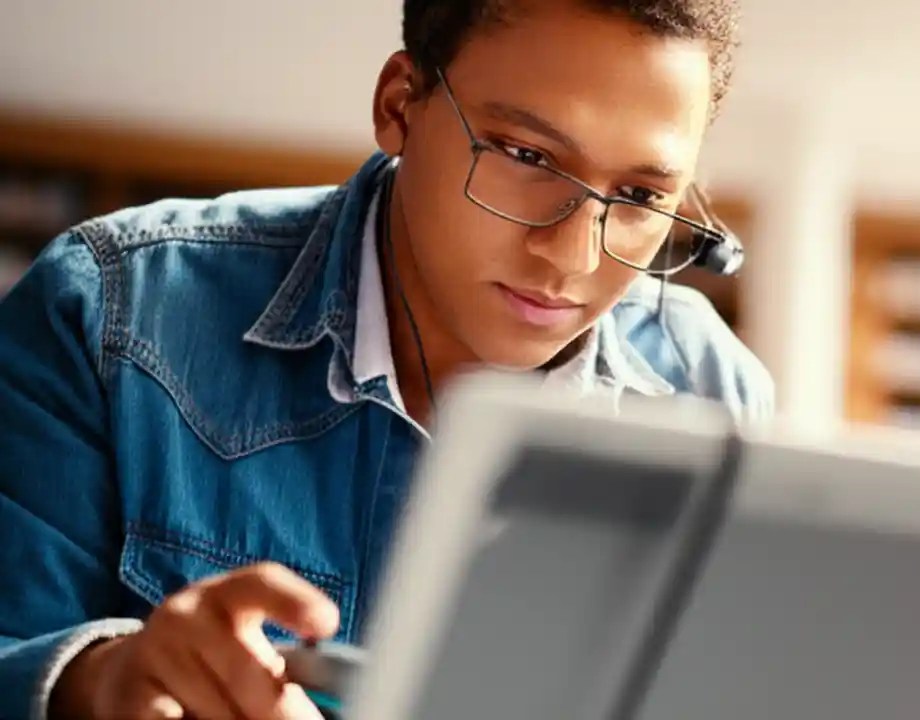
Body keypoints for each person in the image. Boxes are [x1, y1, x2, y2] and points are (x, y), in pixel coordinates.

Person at [0, 0, 772, 717]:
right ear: (399, 105)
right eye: (527, 156)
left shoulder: (713, 397)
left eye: (638, 198)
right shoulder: (110, 308)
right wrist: (102, 680)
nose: (570, 257)